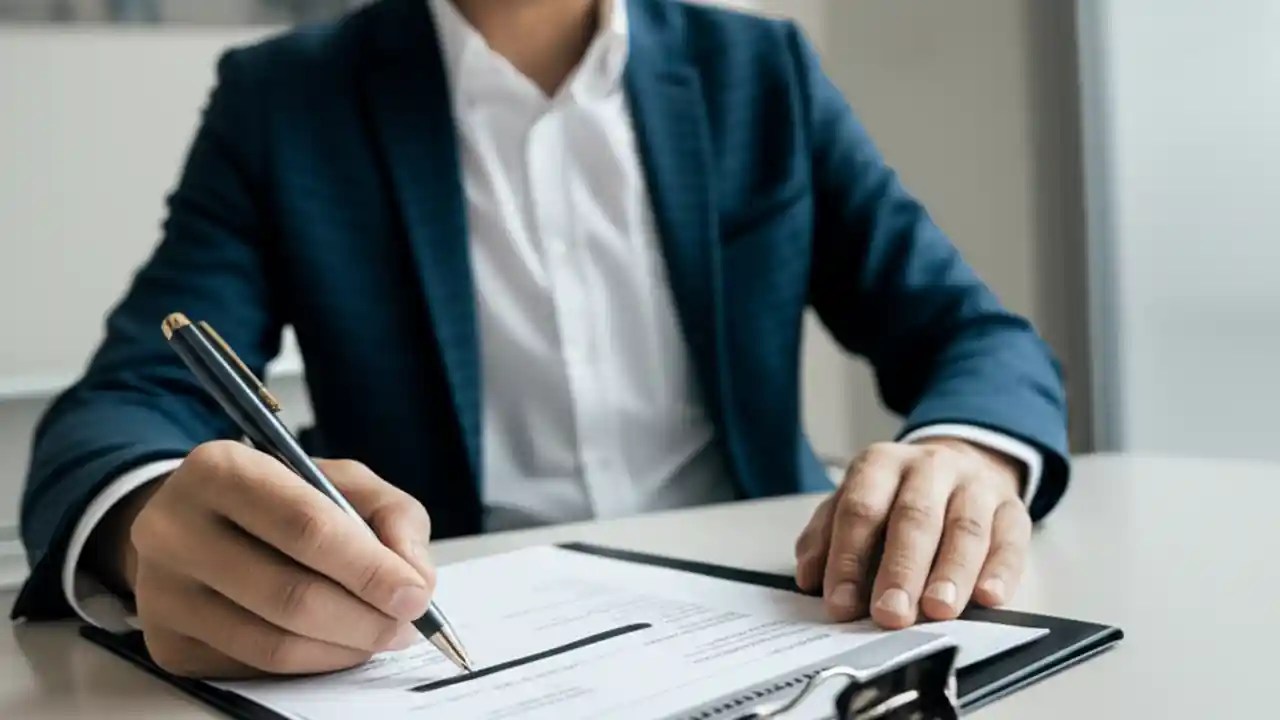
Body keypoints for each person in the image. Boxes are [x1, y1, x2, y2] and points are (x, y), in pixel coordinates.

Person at [13, 0, 1069, 679]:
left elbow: (971, 336)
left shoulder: (760, 72)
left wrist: (964, 455)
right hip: (446, 639)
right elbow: (127, 400)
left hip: (784, 620)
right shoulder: (287, 98)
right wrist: (148, 528)